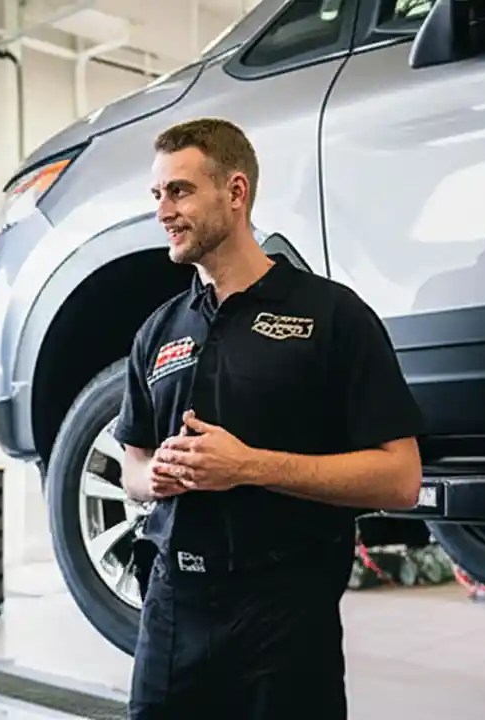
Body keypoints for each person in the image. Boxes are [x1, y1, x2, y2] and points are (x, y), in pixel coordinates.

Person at [114, 118, 425, 718]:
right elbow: (133, 466)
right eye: (157, 195)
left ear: (235, 193)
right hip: (173, 607)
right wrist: (158, 478)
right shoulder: (157, 331)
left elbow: (401, 477)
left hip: (284, 614)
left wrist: (250, 467)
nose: (163, 211)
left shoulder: (332, 316)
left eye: (179, 191)